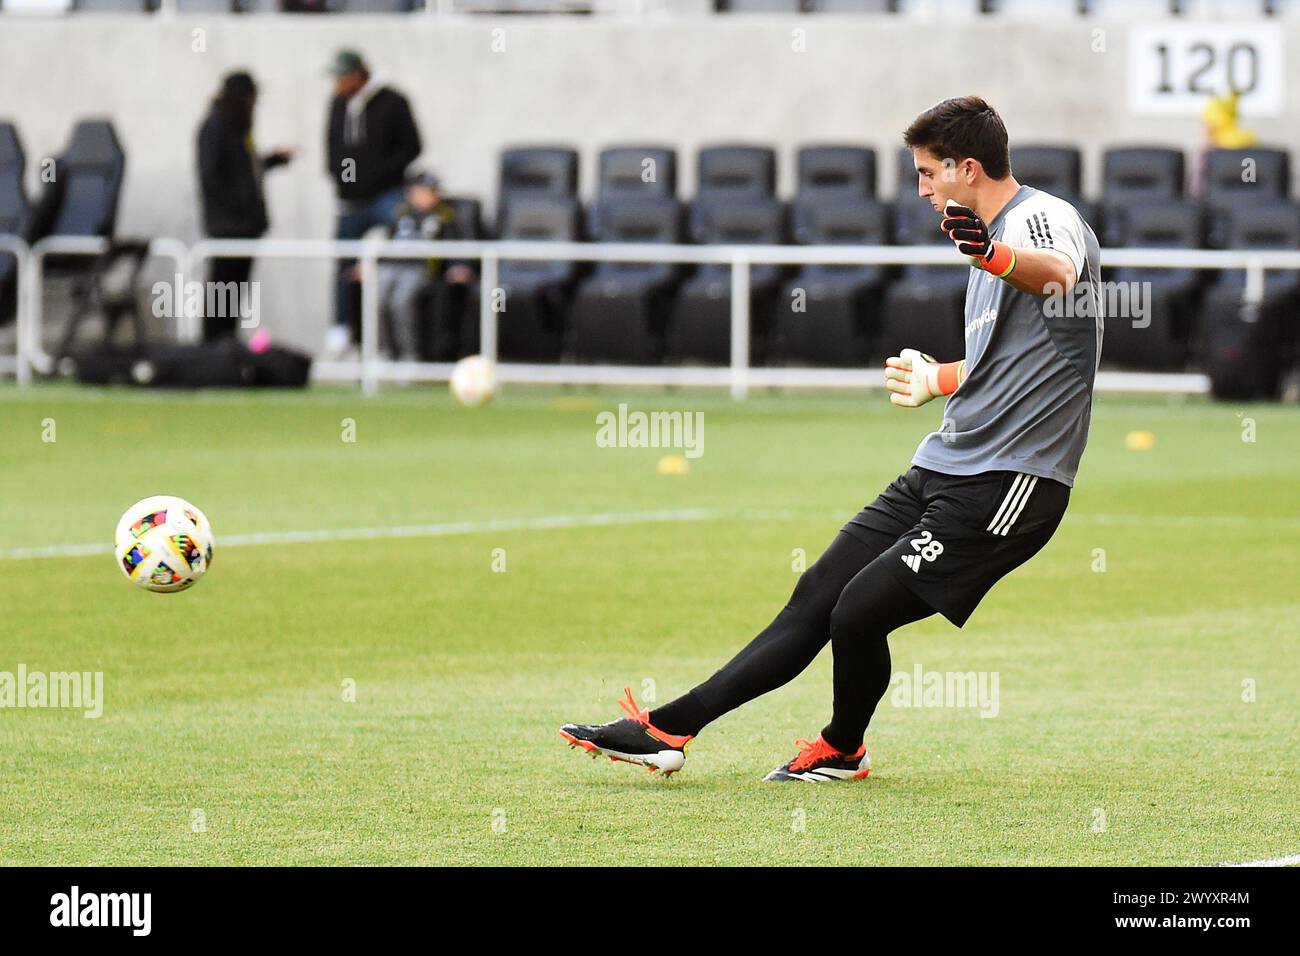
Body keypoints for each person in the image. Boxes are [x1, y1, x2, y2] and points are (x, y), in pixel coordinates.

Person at [560, 96, 1105, 782]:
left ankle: (842, 749)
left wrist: (993, 256)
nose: (922, 190)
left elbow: (1059, 277)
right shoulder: (990, 240)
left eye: (928, 173)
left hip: (1010, 484)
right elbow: (1021, 359)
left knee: (858, 613)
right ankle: (668, 728)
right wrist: (938, 378)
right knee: (819, 593)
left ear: (967, 169)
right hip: (945, 466)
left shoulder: (1038, 219)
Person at [325, 49, 422, 357]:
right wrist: (344, 179)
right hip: (351, 200)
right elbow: (335, 149)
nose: (337, 85)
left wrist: (376, 173)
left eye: (342, 78)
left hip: (385, 194)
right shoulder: (339, 104)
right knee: (345, 261)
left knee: (403, 248)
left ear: (357, 76)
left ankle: (398, 335)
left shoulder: (392, 101)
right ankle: (344, 327)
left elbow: (412, 146)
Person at [195, 71, 292, 342]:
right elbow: (212, 177)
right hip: (228, 227)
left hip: (245, 226)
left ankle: (225, 343)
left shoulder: (238, 129)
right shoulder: (215, 127)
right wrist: (238, 208)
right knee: (222, 291)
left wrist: (273, 160)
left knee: (234, 292)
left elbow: (245, 171)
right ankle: (214, 346)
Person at [373, 172, 475, 360]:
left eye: (432, 191)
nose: (429, 196)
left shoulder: (445, 215)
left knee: (401, 300)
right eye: (423, 191)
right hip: (393, 266)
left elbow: (455, 245)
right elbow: (388, 244)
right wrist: (368, 266)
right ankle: (384, 352)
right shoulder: (402, 214)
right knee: (378, 295)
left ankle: (409, 354)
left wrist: (459, 266)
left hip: (419, 269)